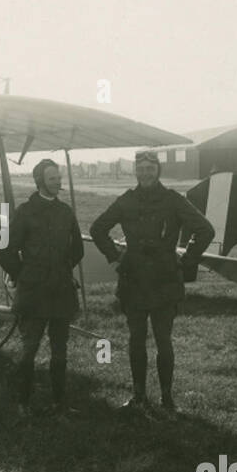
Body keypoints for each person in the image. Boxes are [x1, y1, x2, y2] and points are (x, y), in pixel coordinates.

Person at [90, 150, 215, 420]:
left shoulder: (172, 200)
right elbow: (97, 229)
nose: (145, 173)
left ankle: (167, 398)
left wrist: (186, 261)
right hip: (133, 278)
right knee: (136, 340)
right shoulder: (127, 200)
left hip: (164, 279)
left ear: (157, 170)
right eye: (140, 168)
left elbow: (205, 230)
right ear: (135, 171)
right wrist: (115, 258)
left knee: (163, 340)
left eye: (150, 168)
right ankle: (138, 396)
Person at [0, 158, 85, 416]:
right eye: (52, 178)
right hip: (33, 293)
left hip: (60, 292)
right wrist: (23, 275)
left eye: (58, 178)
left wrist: (62, 268)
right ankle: (23, 403)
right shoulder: (25, 212)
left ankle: (60, 402)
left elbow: (77, 249)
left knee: (60, 350)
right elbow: (7, 251)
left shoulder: (66, 212)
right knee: (29, 349)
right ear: (39, 182)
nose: (57, 182)